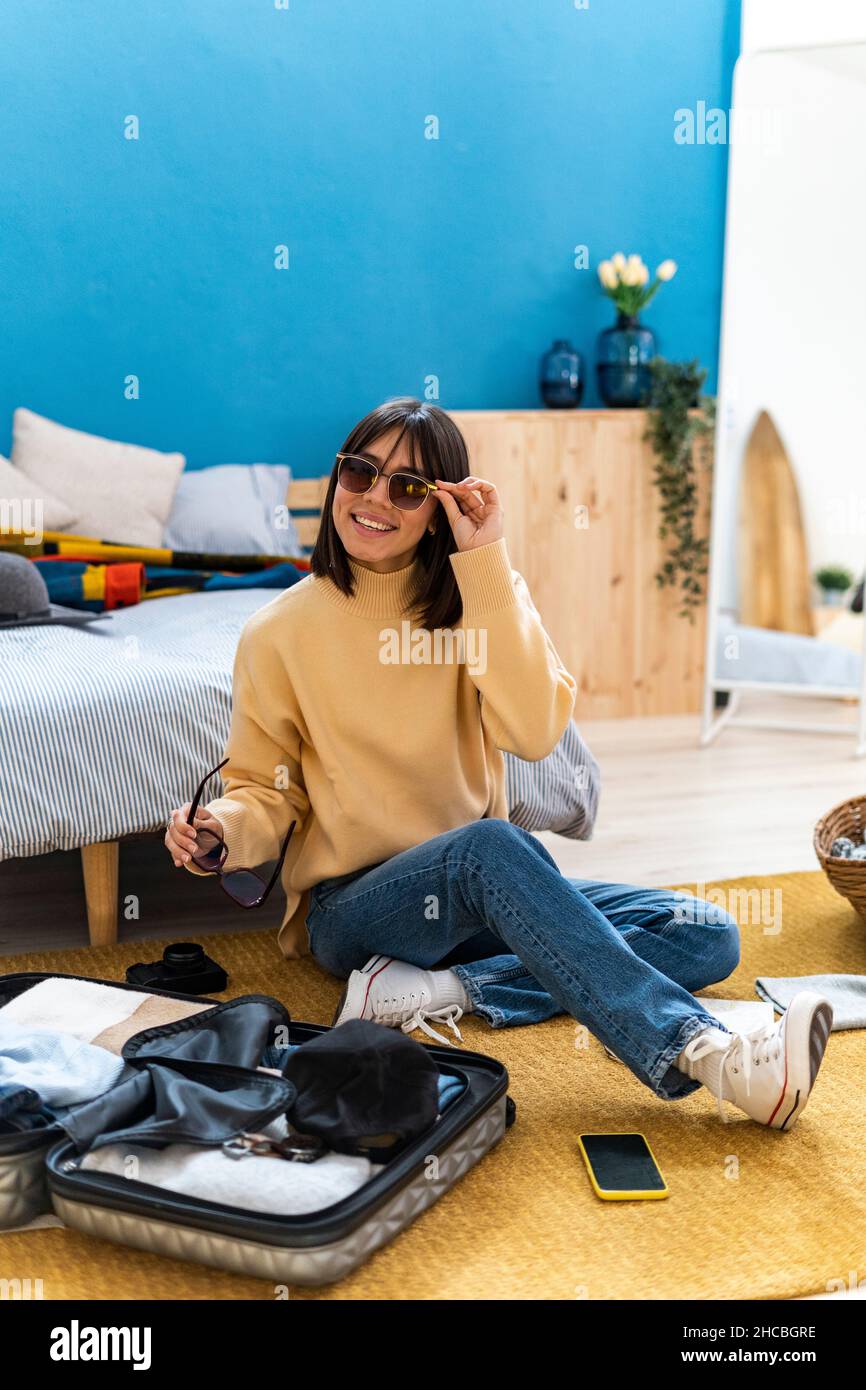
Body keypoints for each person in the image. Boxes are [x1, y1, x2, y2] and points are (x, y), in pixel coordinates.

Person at [165, 397, 832, 1130]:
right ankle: (706, 1054)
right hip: (355, 911)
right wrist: (221, 831)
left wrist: (484, 563)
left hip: (477, 898)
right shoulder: (276, 632)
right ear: (338, 481)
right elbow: (265, 790)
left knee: (705, 930)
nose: (376, 499)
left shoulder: (484, 600)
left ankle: (439, 992)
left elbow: (537, 730)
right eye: (362, 472)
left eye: (409, 488)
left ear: (440, 508)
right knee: (494, 848)